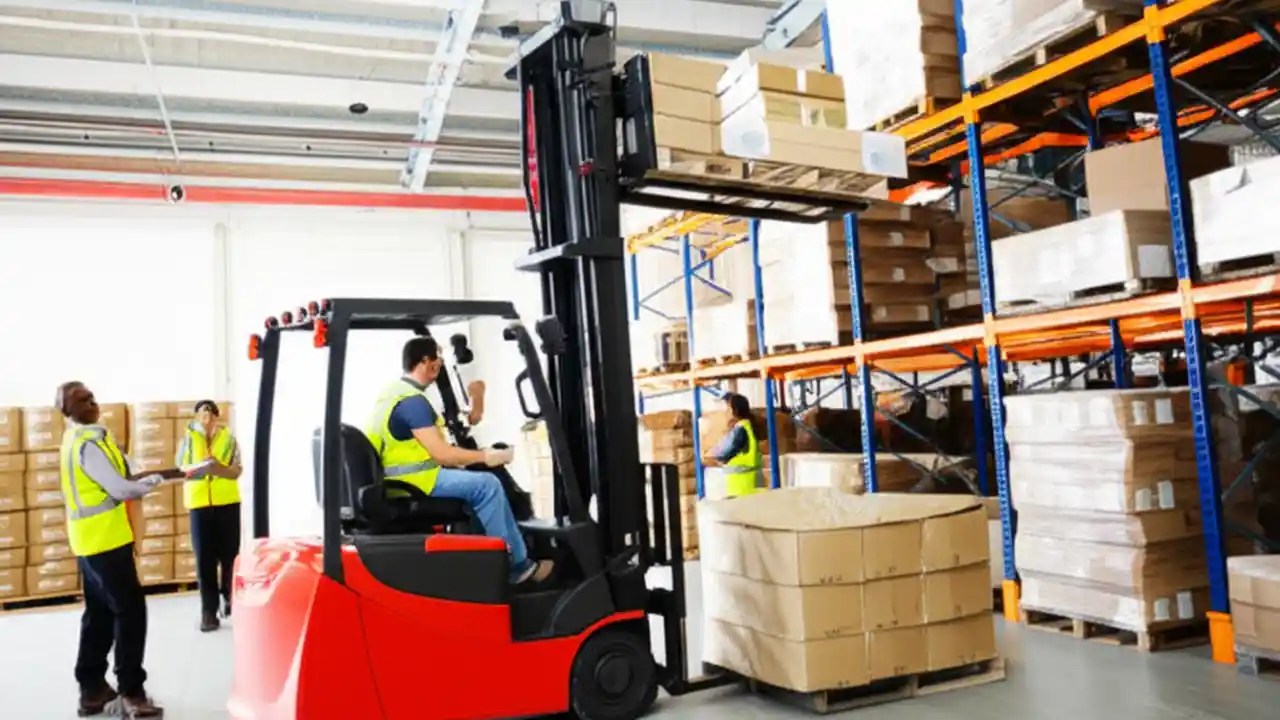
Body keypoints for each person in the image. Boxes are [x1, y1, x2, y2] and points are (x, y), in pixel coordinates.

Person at [365, 337, 553, 585]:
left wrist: (476, 403)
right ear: (425, 362)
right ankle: (518, 567)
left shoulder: (393, 393)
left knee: (477, 483)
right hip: (417, 481)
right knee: (487, 485)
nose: (440, 363)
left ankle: (484, 564)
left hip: (399, 479)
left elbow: (434, 437)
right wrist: (486, 456)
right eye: (438, 358)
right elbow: (441, 454)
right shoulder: (413, 403)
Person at [56, 381, 187, 718]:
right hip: (105, 541)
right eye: (82, 400)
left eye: (91, 396)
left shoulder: (88, 438)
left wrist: (167, 473)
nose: (92, 402)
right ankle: (131, 691)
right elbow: (120, 487)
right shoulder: (87, 443)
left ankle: (92, 689)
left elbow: (125, 472)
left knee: (98, 614)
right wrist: (152, 483)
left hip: (89, 540)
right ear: (67, 410)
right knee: (130, 612)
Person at [175, 400, 242, 633]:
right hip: (199, 504)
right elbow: (180, 468)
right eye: (202, 413)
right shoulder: (187, 440)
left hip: (227, 503)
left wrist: (217, 468)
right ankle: (208, 611)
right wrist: (201, 467)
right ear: (195, 417)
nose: (206, 417)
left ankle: (229, 597)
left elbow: (236, 470)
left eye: (210, 413)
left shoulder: (229, 439)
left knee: (229, 556)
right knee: (204, 559)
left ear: (216, 416)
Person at [701, 393, 763, 498]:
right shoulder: (749, 426)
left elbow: (724, 452)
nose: (726, 412)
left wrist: (707, 456)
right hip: (750, 484)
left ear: (735, 410)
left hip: (741, 486)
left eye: (728, 408)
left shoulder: (740, 429)